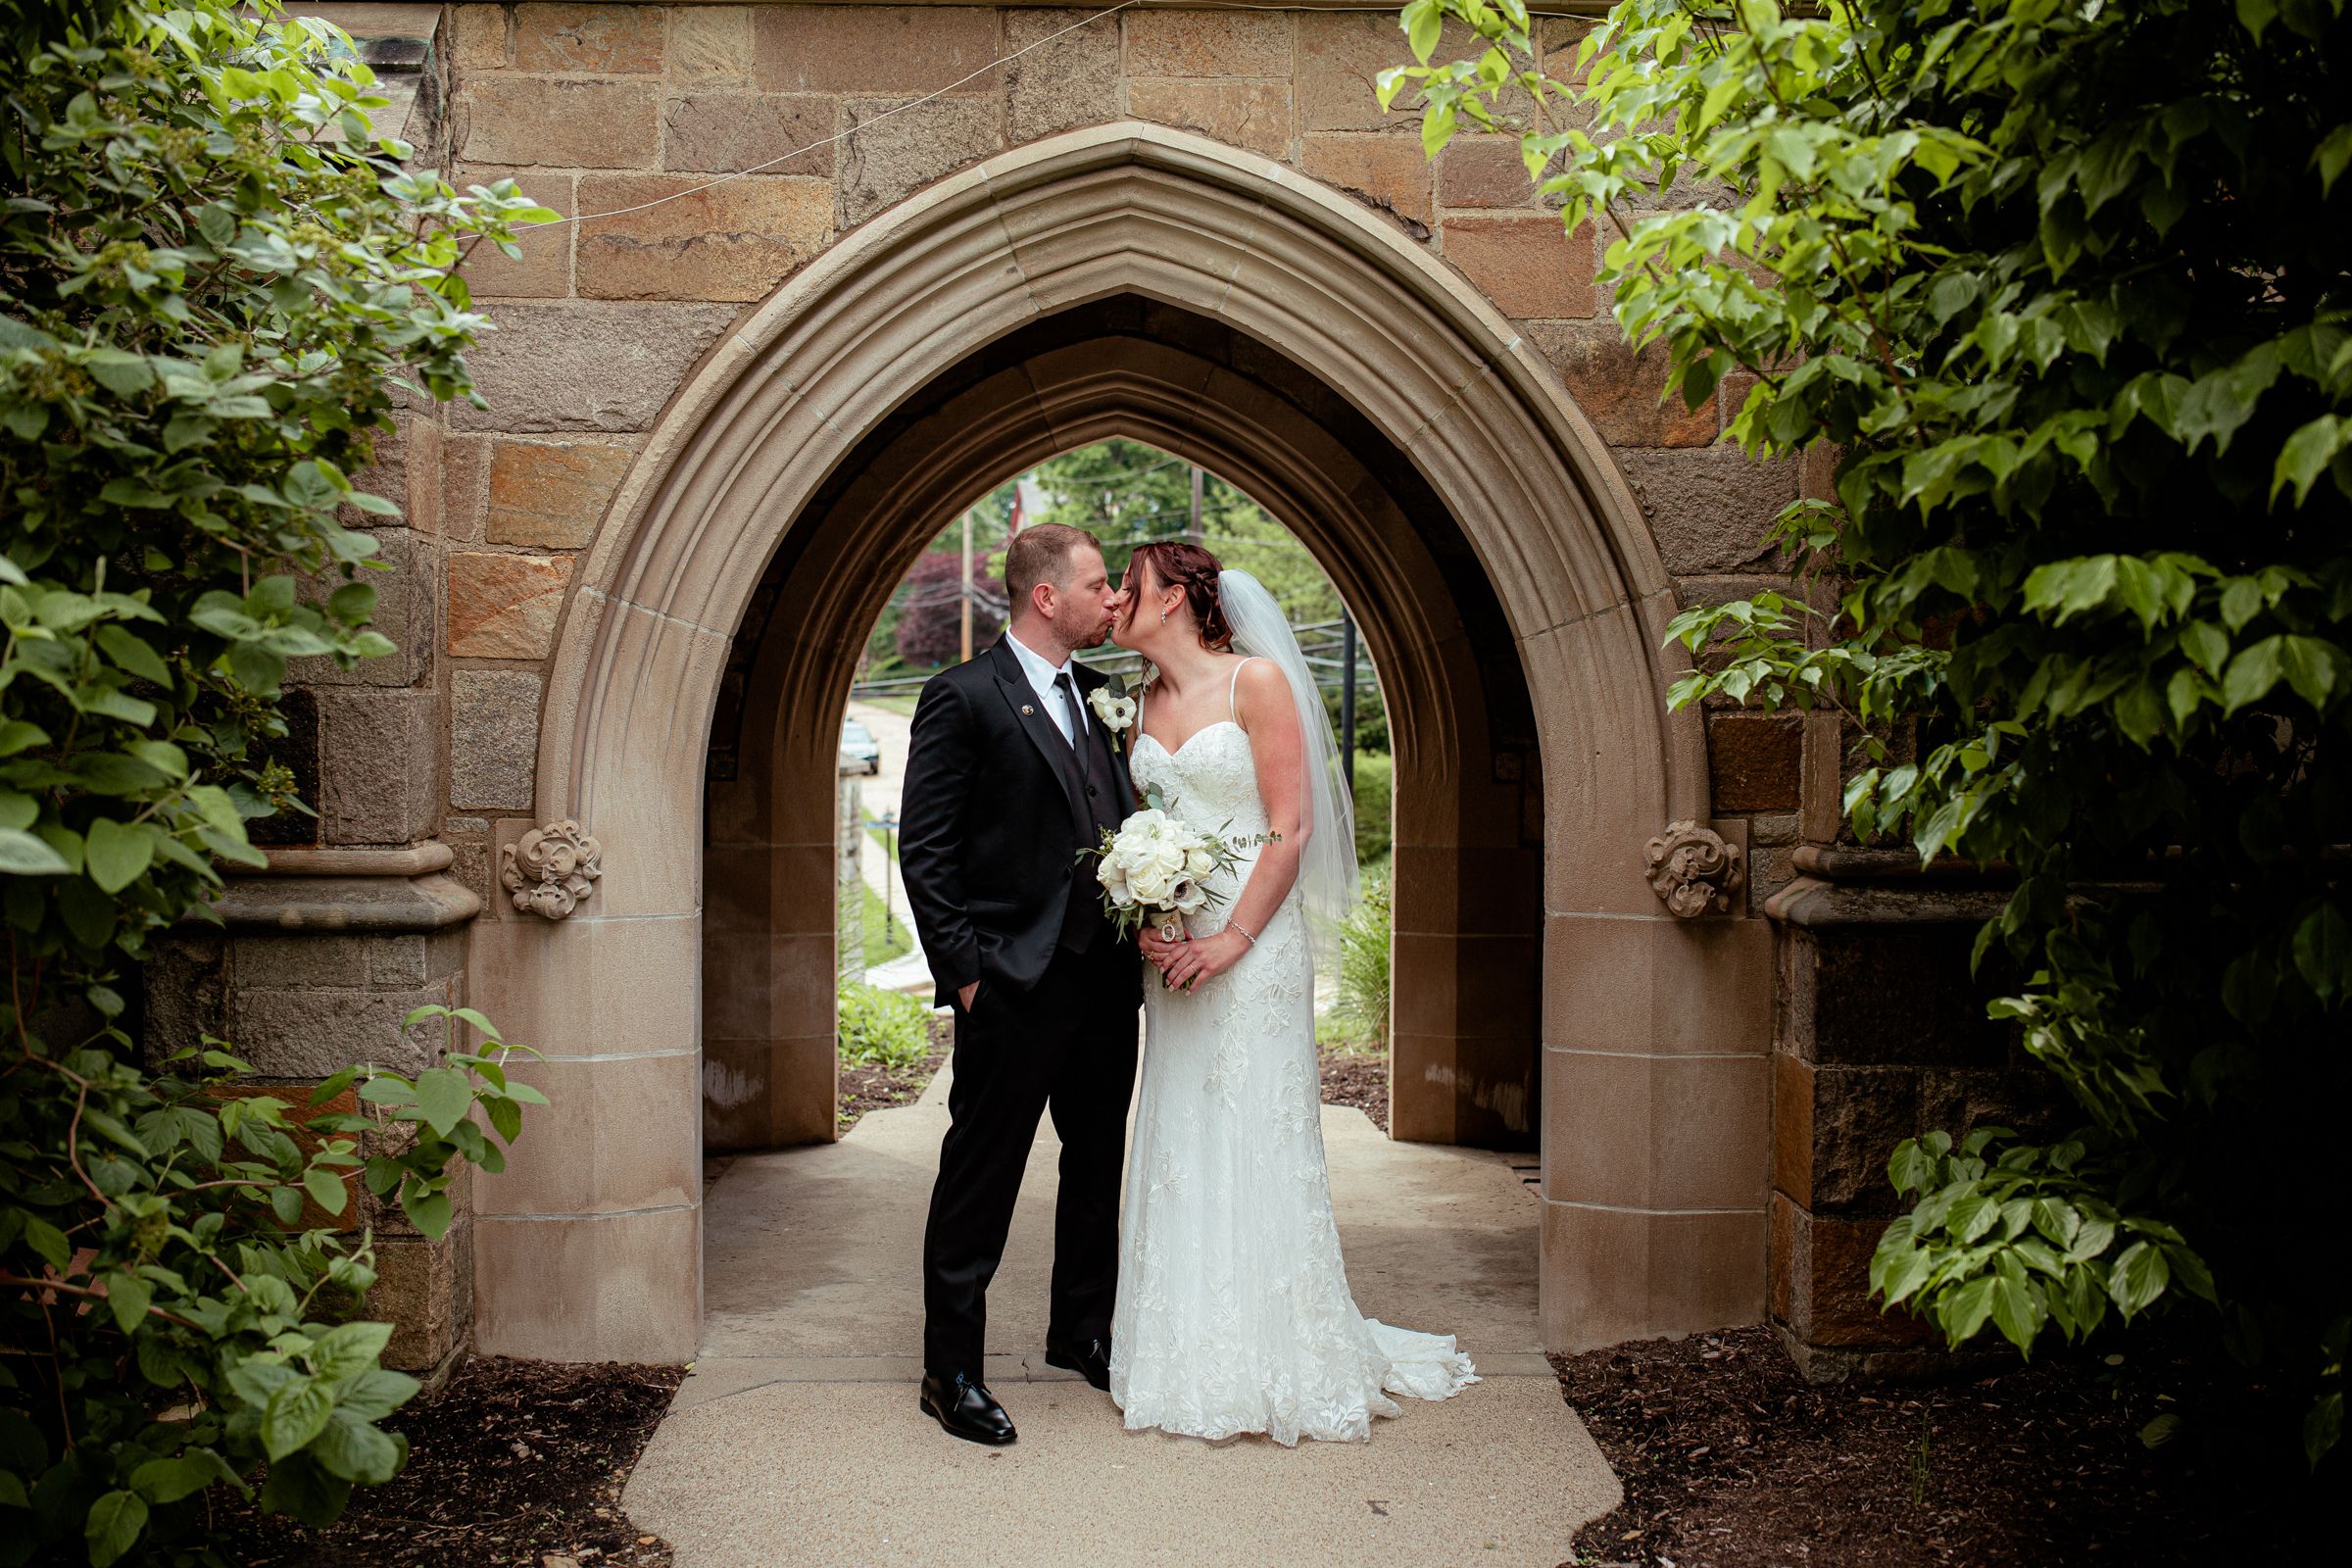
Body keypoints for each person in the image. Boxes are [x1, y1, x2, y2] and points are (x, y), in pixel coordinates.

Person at [1108, 540, 1478, 1445]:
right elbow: (1144, 829)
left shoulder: (1255, 683)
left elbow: (1290, 825)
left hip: (1254, 944)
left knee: (1253, 1125)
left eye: (1131, 584)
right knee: (1181, 1130)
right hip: (1177, 955)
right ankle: (1182, 1350)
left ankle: (1284, 1353)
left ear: (1178, 600)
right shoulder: (1139, 705)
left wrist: (1233, 937)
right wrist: (1148, 915)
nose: (1117, 598)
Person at [897, 523, 1141, 1446]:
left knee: (1094, 1169)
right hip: (1010, 985)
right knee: (982, 1175)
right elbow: (927, 852)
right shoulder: (961, 696)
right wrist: (966, 977)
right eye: (1097, 582)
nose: (1109, 597)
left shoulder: (1107, 696)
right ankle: (950, 1369)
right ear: (1047, 596)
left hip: (1103, 984)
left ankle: (1082, 1331)